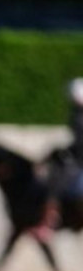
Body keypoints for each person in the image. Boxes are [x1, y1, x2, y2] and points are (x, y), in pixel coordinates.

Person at [35, 77, 83, 242]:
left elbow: (80, 144)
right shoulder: (77, 115)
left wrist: (64, 152)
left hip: (80, 161)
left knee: (58, 178)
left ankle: (49, 220)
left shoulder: (78, 117)